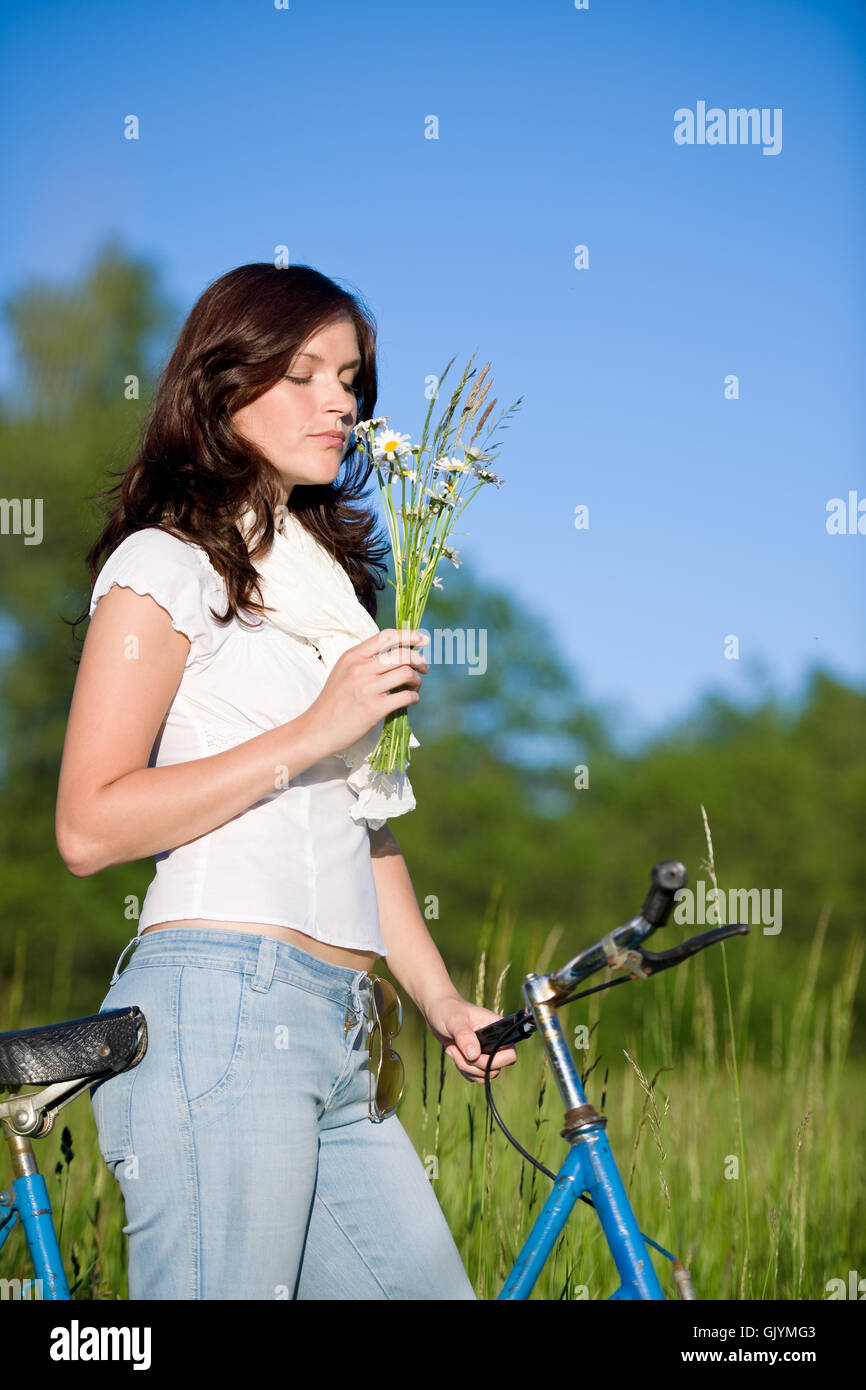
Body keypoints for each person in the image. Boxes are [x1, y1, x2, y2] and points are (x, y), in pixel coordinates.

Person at [55, 261, 517, 1301]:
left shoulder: (324, 593)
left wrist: (440, 999)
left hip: (346, 1030)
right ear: (222, 384)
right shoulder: (162, 566)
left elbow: (360, 827)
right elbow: (88, 827)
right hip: (219, 1005)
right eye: (302, 373)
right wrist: (314, 728)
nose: (341, 402)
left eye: (350, 378)